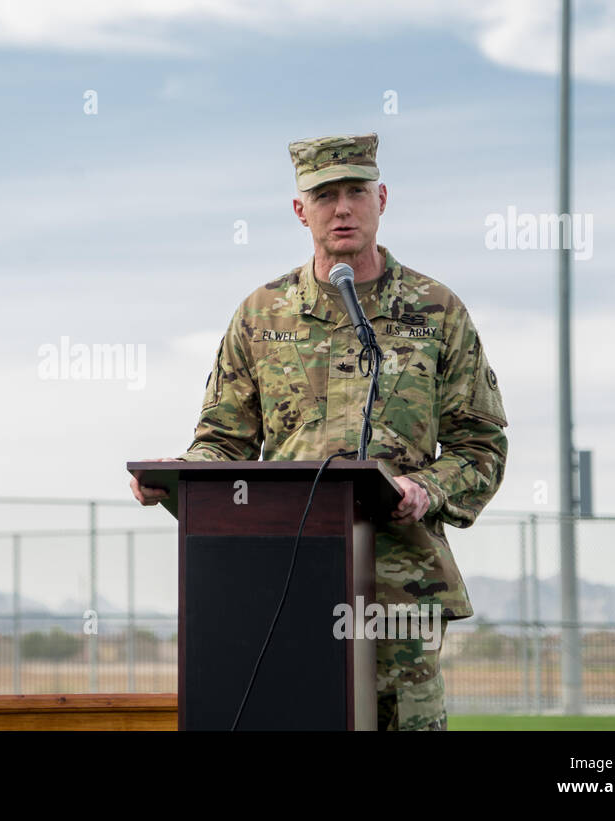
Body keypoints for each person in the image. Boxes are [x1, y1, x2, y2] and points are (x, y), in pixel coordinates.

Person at [129, 133, 508, 730]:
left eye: (356, 191)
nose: (342, 208)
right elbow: (223, 441)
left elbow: (480, 444)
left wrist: (425, 489)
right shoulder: (261, 313)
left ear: (381, 198)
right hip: (286, 583)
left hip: (399, 591)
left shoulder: (436, 312)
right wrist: (182, 479)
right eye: (324, 194)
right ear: (300, 210)